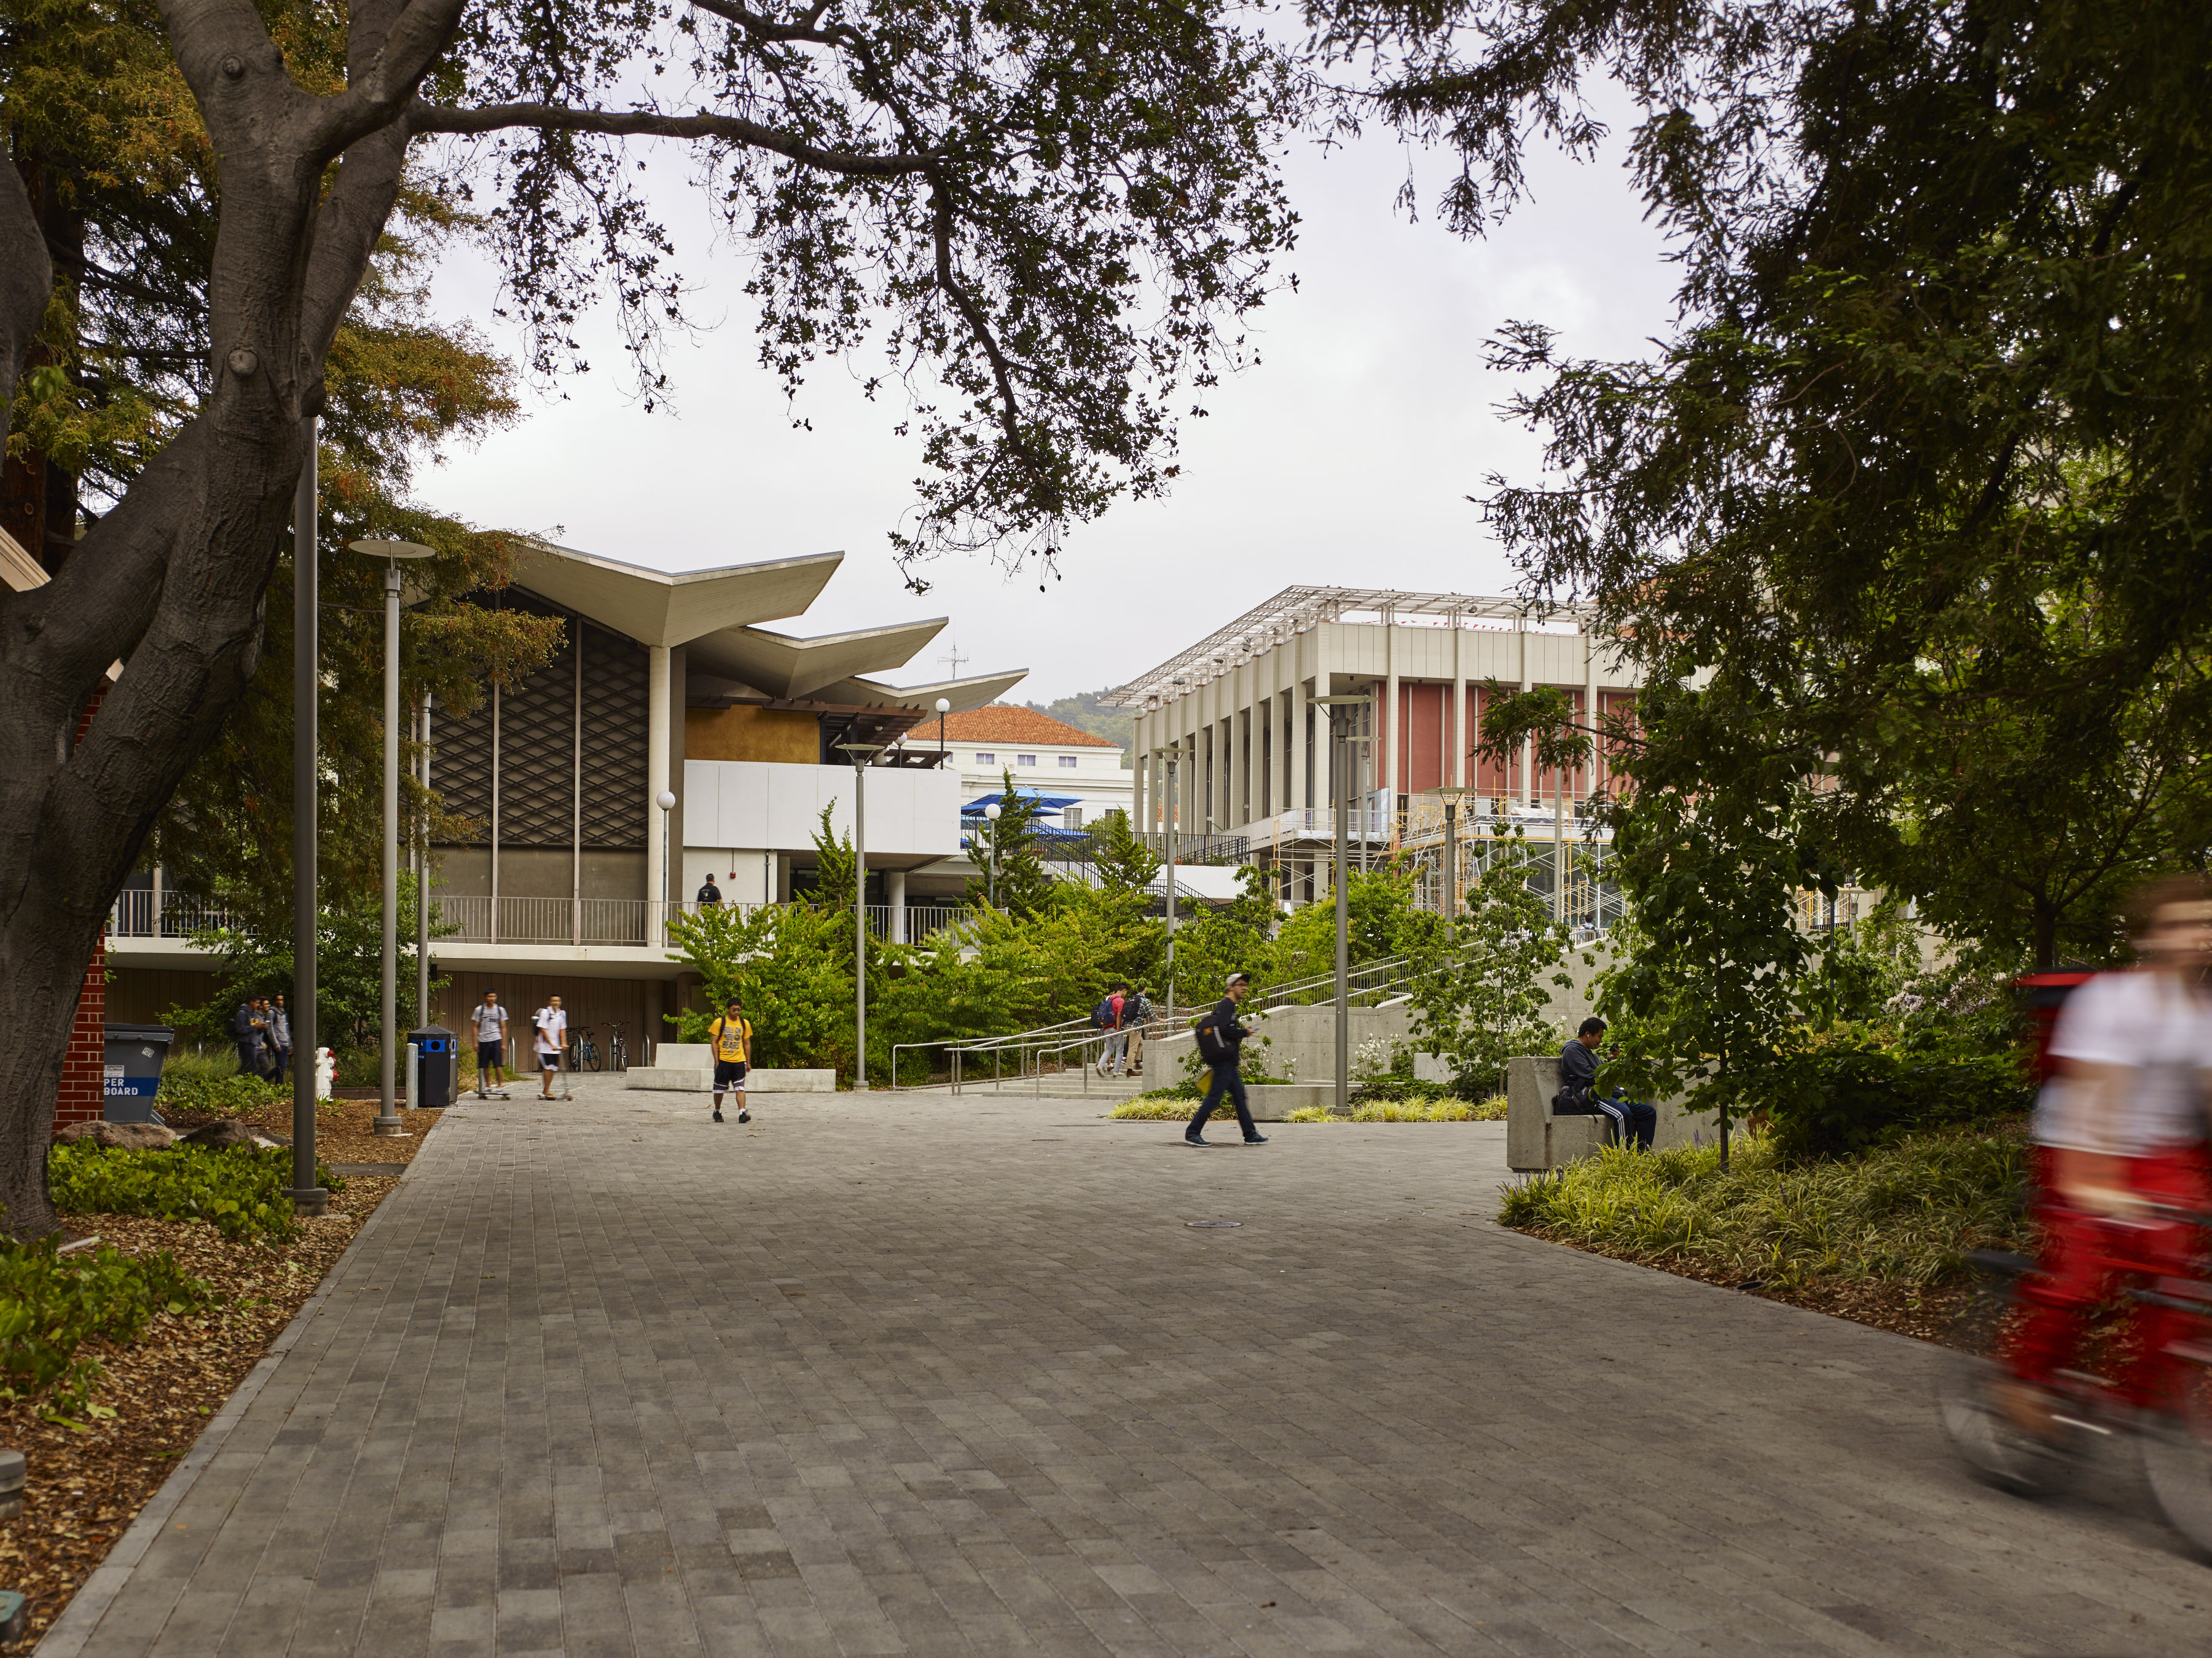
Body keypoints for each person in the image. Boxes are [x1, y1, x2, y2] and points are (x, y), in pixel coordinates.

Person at [2004, 874, 2212, 1423]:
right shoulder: (2115, 1002)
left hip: (2159, 1155)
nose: (2200, 934)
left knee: (2179, 1280)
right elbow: (2093, 1102)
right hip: (2082, 1144)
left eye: (2207, 921)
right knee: (2082, 1276)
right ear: (2150, 937)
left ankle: (2143, 1400)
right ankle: (2026, 1379)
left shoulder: (2205, 1013)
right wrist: (2095, 1186)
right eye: (2183, 922)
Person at [1186, 972, 1267, 1147]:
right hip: (1223, 1063)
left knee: (1239, 1097)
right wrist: (1244, 1032)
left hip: (1228, 1063)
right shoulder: (1227, 1005)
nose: (1244, 988)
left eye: (1245, 985)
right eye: (1241, 985)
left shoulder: (1228, 1006)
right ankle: (1192, 1133)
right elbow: (1225, 1030)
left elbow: (1225, 1030)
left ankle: (1251, 1134)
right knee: (1215, 1098)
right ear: (1231, 987)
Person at [1559, 1018, 1655, 1151]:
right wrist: (1609, 1077)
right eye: (1600, 1036)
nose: (1601, 1041)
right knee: (1623, 1115)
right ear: (1588, 1034)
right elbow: (1590, 1075)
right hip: (1591, 1095)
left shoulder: (1589, 1053)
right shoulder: (1572, 1050)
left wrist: (1612, 1060)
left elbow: (1601, 1071)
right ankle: (1625, 1158)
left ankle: (1641, 1154)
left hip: (1608, 1092)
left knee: (1648, 1112)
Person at [708, 998, 753, 1125]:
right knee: (719, 1089)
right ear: (728, 1009)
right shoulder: (719, 1022)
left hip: (739, 1061)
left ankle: (742, 1113)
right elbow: (714, 1042)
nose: (736, 1012)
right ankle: (717, 1111)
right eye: (734, 1010)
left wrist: (748, 1062)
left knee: (740, 1087)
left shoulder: (744, 1023)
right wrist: (717, 1061)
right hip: (723, 1061)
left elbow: (747, 1043)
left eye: (739, 1010)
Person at [472, 989, 511, 1098]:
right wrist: (475, 1042)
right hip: (483, 1040)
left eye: (494, 997)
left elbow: (503, 1027)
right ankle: (488, 1086)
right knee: (485, 1065)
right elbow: (475, 1026)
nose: (492, 999)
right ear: (486, 997)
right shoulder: (480, 1010)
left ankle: (499, 1086)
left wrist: (503, 1043)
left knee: (498, 1064)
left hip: (496, 1039)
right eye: (490, 997)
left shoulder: (500, 1010)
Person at [533, 994, 568, 1099]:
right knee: (547, 1068)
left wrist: (563, 1042)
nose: (555, 1003)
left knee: (553, 1068)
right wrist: (551, 1044)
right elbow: (543, 1030)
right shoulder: (545, 1013)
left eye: (557, 1001)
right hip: (544, 1046)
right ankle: (547, 1091)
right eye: (553, 1001)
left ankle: (546, 1091)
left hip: (556, 1047)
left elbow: (563, 1029)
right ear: (549, 1002)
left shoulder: (562, 1014)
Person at [1095, 982, 1128, 1077]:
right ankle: (1116, 1071)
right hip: (1114, 1027)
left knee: (1109, 1048)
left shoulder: (1109, 998)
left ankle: (1100, 1065)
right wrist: (1118, 1029)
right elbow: (1119, 1015)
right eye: (1126, 992)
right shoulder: (1120, 1001)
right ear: (1124, 990)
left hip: (1106, 1027)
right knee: (1119, 1049)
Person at [230, 997, 268, 1077]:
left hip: (252, 1043)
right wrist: (254, 1026)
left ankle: (233, 1079)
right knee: (252, 1068)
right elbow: (240, 1029)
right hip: (245, 1043)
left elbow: (255, 1031)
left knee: (246, 1067)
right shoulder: (242, 1013)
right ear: (251, 1002)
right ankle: (255, 1084)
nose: (258, 1005)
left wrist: (261, 1028)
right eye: (257, 1003)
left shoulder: (254, 1014)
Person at [1124, 985, 1152, 1076]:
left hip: (1127, 1026)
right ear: (1143, 989)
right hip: (1135, 1028)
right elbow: (1150, 1014)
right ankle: (1129, 1070)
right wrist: (1160, 1020)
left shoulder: (1131, 999)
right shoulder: (1143, 1000)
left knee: (1141, 1042)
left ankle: (1137, 1062)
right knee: (1133, 1049)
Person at [268, 993, 292, 1086]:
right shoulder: (271, 1013)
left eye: (281, 1000)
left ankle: (278, 1086)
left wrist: (290, 1045)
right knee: (281, 1066)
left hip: (285, 1042)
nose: (280, 1002)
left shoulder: (283, 1013)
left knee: (283, 1068)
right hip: (279, 1043)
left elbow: (286, 1029)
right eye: (278, 1000)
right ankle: (265, 1078)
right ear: (274, 1001)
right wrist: (276, 1044)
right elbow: (270, 1030)